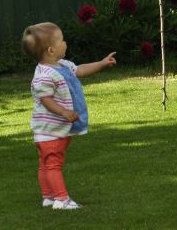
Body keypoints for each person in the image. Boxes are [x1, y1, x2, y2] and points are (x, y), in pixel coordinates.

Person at [22, 22, 117, 209]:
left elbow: (80, 69)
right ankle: (61, 199)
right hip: (50, 130)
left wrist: (102, 63)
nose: (65, 43)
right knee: (53, 164)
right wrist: (64, 112)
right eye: (62, 40)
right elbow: (45, 99)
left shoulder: (63, 65)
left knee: (46, 163)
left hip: (54, 129)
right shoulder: (44, 74)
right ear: (51, 50)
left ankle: (48, 197)